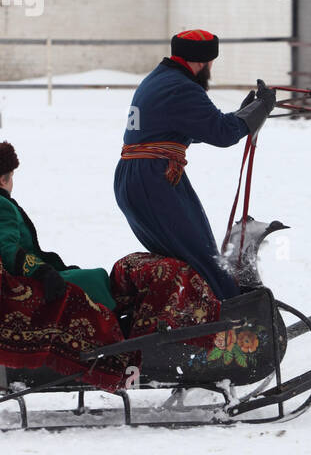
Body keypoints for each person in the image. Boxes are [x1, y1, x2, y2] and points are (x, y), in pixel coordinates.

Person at [114, 29, 275, 301]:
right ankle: (229, 322)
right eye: (211, 63)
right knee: (202, 258)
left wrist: (242, 115)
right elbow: (221, 134)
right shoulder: (181, 87)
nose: (211, 69)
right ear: (202, 62)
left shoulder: (160, 79)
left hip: (137, 177)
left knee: (185, 258)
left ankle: (191, 314)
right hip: (154, 179)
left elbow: (198, 127)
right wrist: (259, 110)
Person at [0, 141, 118, 312]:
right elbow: (6, 251)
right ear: (3, 180)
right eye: (11, 177)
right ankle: (112, 325)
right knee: (95, 278)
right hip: (17, 283)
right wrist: (42, 271)